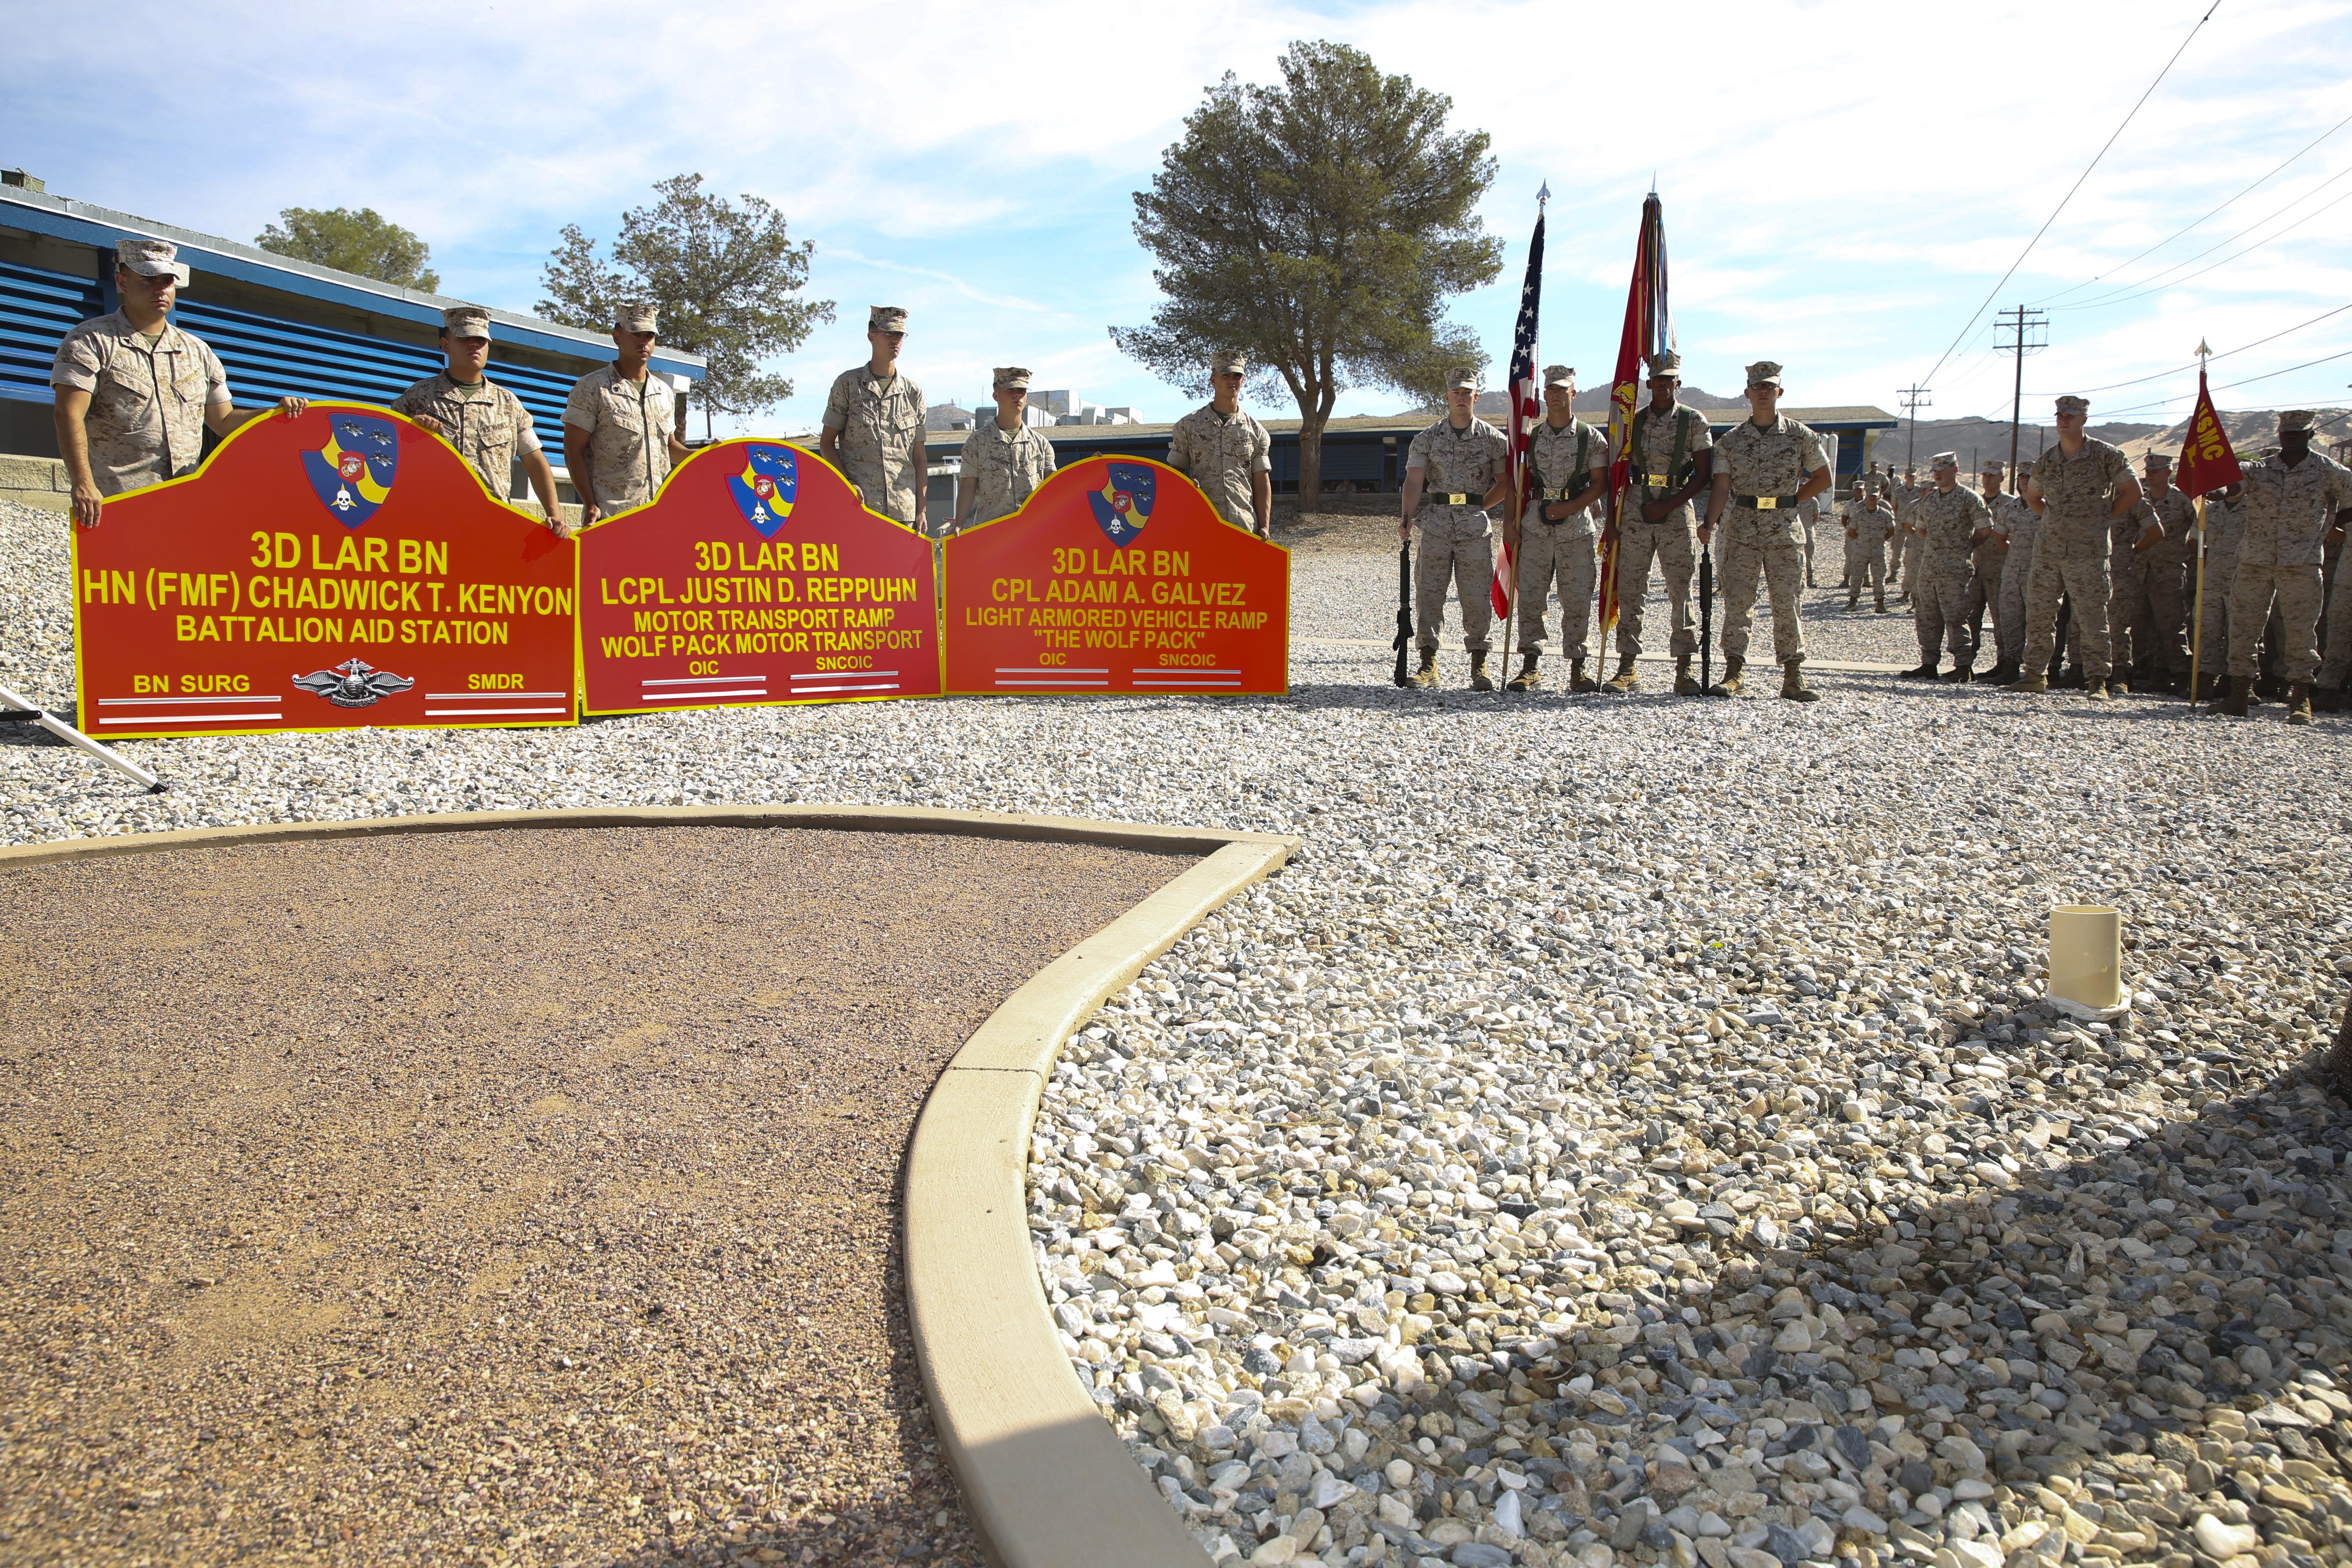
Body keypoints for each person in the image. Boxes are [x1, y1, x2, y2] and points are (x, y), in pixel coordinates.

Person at [50, 238, 309, 527]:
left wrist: (273, 414)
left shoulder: (198, 351)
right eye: (148, 280)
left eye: (167, 281)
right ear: (122, 283)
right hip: (118, 502)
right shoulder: (90, 341)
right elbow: (68, 413)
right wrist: (83, 483)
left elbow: (224, 421)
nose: (160, 289)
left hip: (186, 503)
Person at [1704, 360, 1831, 701]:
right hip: (1742, 531)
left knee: (1787, 604)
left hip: (1784, 534)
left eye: (1769, 387)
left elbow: (1824, 478)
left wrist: (1791, 501)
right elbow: (1721, 485)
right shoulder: (1731, 441)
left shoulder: (1801, 436)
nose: (1763, 392)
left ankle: (1793, 676)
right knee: (1737, 603)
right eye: (1757, 387)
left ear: (1780, 392)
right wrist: (1709, 522)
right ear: (1747, 393)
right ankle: (1734, 673)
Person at [2217, 410, 2352, 723]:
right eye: (2285, 433)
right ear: (2279, 434)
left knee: (2301, 631)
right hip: (2255, 560)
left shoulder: (2330, 471)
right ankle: (2239, 696)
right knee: (2243, 627)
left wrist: (2326, 524)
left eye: (2297, 433)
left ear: (2311, 435)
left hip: (2301, 562)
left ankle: (2300, 700)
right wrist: (2221, 488)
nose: (2290, 437)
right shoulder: (2259, 468)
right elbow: (2234, 487)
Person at [2007, 395, 2140, 699]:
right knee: (2040, 614)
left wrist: (2101, 519)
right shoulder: (2047, 460)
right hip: (2049, 549)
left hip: (2088, 550)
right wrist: (2054, 520)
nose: (2063, 420)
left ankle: (2097, 680)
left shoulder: (2106, 455)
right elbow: (2033, 497)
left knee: (2092, 616)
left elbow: (2133, 492)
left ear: (2084, 419)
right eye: (2060, 416)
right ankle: (2035, 675)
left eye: (2070, 415)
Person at [393, 305, 568, 532]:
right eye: (465, 338)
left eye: (481, 340)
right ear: (445, 345)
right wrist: (412, 433)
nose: (474, 345)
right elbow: (388, 453)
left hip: (492, 524)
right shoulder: (418, 397)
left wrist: (555, 515)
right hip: (433, 523)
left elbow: (535, 461)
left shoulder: (508, 403)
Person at [1603, 349, 1715, 694]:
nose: (1663, 385)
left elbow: (1704, 474)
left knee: (1681, 589)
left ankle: (1684, 668)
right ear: (1649, 383)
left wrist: (1670, 504)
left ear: (1678, 383)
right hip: (1635, 509)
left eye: (1669, 380)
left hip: (1677, 510)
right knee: (1631, 588)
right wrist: (1611, 521)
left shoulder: (1694, 421)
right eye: (1657, 380)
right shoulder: (1632, 421)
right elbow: (1616, 472)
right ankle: (1627, 666)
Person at [1400, 367, 1509, 690]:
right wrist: (1406, 517)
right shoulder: (1427, 438)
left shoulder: (1494, 440)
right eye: (1456, 393)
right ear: (1447, 397)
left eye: (1467, 393)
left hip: (1474, 529)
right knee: (1429, 593)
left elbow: (1505, 483)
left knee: (1476, 596)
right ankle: (1428, 663)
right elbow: (1414, 480)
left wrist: (1481, 506)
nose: (1462, 398)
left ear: (1477, 397)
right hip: (1436, 524)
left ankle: (1479, 663)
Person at [1509, 365, 1608, 692]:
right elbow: (1518, 485)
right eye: (1550, 389)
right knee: (1531, 596)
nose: (1555, 395)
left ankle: (1578, 667)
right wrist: (1510, 524)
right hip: (1536, 528)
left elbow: (1600, 484)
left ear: (1573, 394)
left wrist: (1570, 506)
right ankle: (1530, 666)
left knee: (1576, 598)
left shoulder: (1590, 438)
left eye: (1562, 389)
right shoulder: (1531, 438)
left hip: (1576, 529)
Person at [562, 300, 690, 526]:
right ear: (617, 337)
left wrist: (706, 455)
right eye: (636, 334)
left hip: (659, 516)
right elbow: (574, 450)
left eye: (649, 336)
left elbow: (669, 447)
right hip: (613, 516)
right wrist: (590, 504)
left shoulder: (664, 392)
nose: (643, 342)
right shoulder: (593, 388)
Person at [821, 306, 928, 531]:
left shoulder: (913, 393)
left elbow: (919, 457)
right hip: (860, 509)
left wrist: (921, 510)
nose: (895, 340)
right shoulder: (848, 385)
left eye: (900, 335)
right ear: (872, 336)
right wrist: (847, 485)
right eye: (889, 333)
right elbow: (827, 444)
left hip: (904, 513)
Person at [1898, 452, 1991, 681]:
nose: (1938, 474)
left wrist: (1963, 548)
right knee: (1927, 617)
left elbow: (1985, 529)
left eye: (1943, 470)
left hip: (1955, 569)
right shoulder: (1929, 501)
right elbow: (1921, 528)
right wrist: (1936, 545)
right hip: (1929, 568)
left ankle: (1963, 666)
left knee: (1956, 617)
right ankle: (1929, 664)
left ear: (1955, 470)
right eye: (1935, 471)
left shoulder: (1969, 498)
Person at [1165, 350, 1272, 537]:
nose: (1232, 381)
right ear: (1213, 380)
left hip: (1243, 526)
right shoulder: (1189, 426)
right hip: (1201, 525)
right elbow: (1175, 475)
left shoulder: (1256, 431)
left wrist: (1264, 526)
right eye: (1226, 375)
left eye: (1237, 376)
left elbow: (1261, 481)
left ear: (1243, 381)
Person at [953, 366, 1058, 532]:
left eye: (1022, 391)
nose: (1017, 395)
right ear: (996, 396)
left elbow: (1056, 486)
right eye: (1010, 390)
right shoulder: (978, 442)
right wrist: (958, 524)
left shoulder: (1041, 444)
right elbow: (968, 485)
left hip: (1033, 532)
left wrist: (1090, 469)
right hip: (992, 532)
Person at [2131, 453, 2199, 693]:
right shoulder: (2141, 500)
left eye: (2156, 471)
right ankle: (2156, 671)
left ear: (2169, 473)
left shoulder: (2182, 499)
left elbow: (2202, 524)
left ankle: (2182, 673)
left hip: (2170, 570)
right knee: (2145, 625)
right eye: (2148, 471)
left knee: (2172, 625)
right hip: (2142, 570)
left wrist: (2195, 548)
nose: (2150, 475)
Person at [1981, 460, 2036, 685]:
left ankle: (2039, 671)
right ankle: (2010, 666)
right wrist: (2017, 555)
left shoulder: (2048, 508)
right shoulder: (2009, 510)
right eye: (2022, 477)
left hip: (2040, 575)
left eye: (2029, 477)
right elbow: (2001, 539)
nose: (2025, 480)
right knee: (2010, 621)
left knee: (2039, 624)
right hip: (2012, 573)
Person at [2194, 479, 2249, 699]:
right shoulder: (2210, 510)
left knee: (2241, 629)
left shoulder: (2256, 509)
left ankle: (2237, 681)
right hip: (2212, 578)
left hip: (2243, 578)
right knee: (2206, 628)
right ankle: (2204, 679)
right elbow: (2195, 540)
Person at [1961, 460, 2012, 671]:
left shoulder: (2010, 505)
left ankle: (2004, 662)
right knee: (1971, 617)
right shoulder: (1974, 502)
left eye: (1992, 475)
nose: (1988, 479)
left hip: (1999, 570)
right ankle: (1966, 662)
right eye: (1985, 475)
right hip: (1976, 570)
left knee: (2001, 619)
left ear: (2002, 478)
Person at [1843, 482, 1893, 611]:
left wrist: (1880, 540)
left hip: (1878, 552)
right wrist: (1862, 540)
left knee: (1879, 577)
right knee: (1857, 576)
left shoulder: (1885, 514)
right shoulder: (1858, 514)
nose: (1872, 498)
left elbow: (1891, 530)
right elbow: (1851, 532)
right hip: (1861, 551)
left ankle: (1880, 604)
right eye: (1870, 496)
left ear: (1879, 498)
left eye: (1874, 496)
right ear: (1866, 497)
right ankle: (1853, 602)